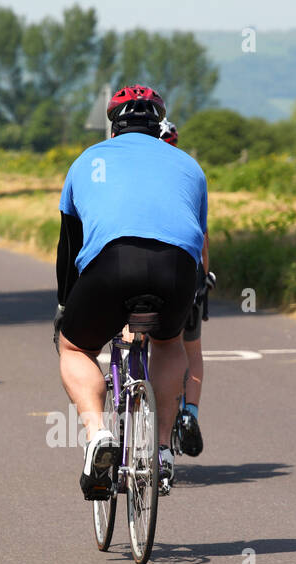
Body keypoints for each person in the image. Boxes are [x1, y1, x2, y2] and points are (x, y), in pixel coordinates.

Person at [54, 85, 208, 499]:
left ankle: (98, 434)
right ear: (159, 122)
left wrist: (66, 304)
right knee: (169, 344)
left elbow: (69, 244)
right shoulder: (188, 165)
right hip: (176, 270)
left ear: (113, 123)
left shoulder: (87, 160)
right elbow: (197, 234)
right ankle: (161, 452)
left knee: (73, 348)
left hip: (112, 265)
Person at [159, 116, 212, 459]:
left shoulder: (132, 172)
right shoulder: (187, 173)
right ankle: (189, 412)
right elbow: (201, 235)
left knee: (137, 336)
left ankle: (135, 398)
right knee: (189, 350)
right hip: (185, 271)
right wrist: (205, 275)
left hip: (133, 269)